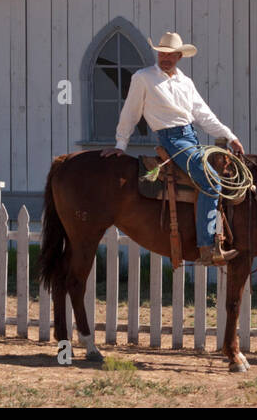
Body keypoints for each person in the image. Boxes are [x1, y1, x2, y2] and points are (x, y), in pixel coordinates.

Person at [101, 31, 245, 266]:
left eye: (170, 54)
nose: (165, 58)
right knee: (211, 181)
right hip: (172, 140)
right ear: (158, 53)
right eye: (161, 53)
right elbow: (130, 112)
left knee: (221, 173)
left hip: (191, 137)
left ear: (179, 56)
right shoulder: (143, 77)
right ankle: (207, 247)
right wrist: (121, 144)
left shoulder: (185, 82)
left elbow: (203, 114)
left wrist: (229, 136)